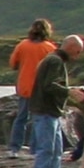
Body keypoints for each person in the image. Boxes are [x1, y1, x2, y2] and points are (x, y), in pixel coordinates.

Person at [24, 33, 83, 168]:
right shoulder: (55, 61)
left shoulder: (53, 59)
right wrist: (69, 91)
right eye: (77, 52)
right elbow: (49, 85)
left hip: (52, 112)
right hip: (45, 111)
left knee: (57, 150)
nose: (77, 56)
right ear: (71, 47)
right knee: (47, 150)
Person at [7, 20, 57, 149]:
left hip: (24, 87)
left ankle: (14, 148)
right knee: (38, 119)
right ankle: (35, 149)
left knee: (21, 118)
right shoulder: (50, 48)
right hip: (41, 89)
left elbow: (13, 64)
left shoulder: (22, 45)